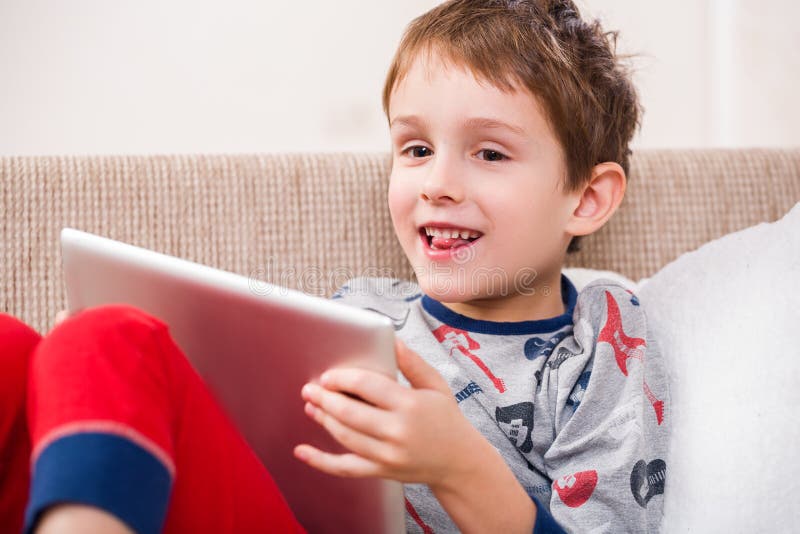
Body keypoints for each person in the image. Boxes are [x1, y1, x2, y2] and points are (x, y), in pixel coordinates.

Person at [0, 1, 668, 532]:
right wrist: (104, 374)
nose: (436, 182)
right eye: (414, 148)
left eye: (489, 153)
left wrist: (459, 467)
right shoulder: (355, 313)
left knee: (110, 339)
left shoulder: (602, 341)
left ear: (586, 198)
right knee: (39, 348)